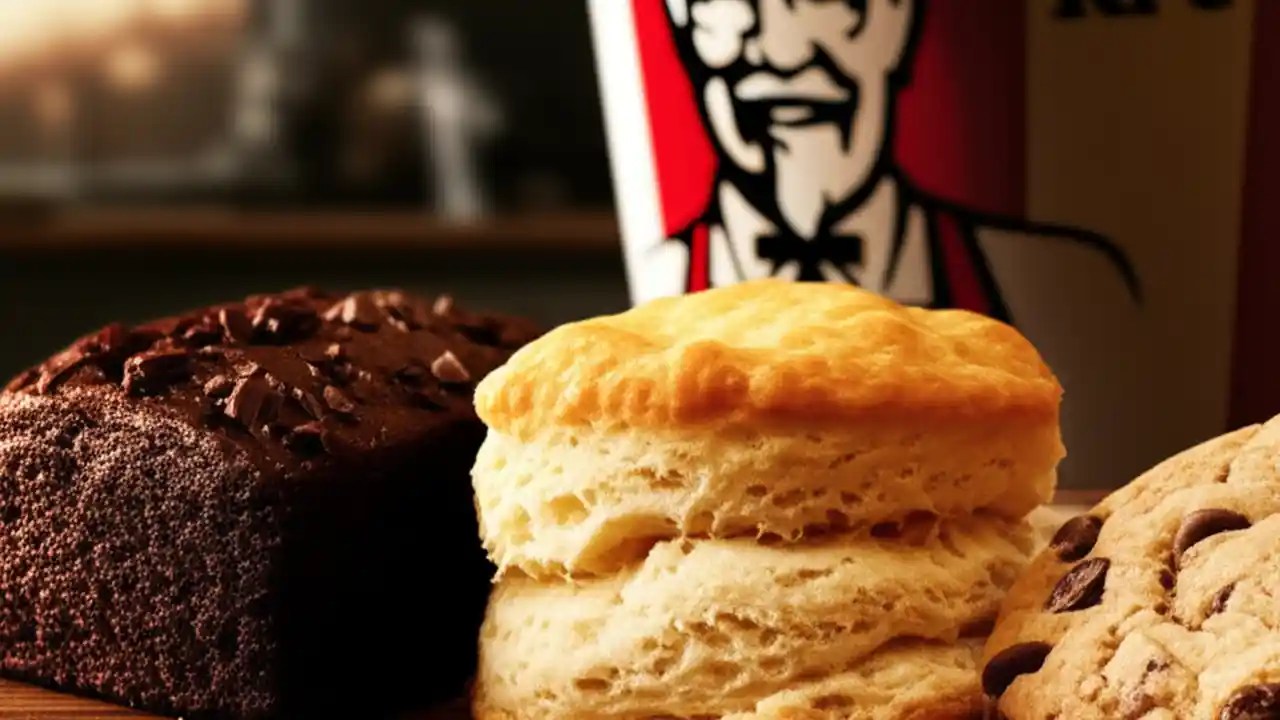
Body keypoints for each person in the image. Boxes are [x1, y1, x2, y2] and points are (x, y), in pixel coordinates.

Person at [648, 0, 1141, 324]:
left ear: (900, 22)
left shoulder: (1080, 280)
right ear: (683, 26)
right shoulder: (654, 289)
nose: (785, 52)